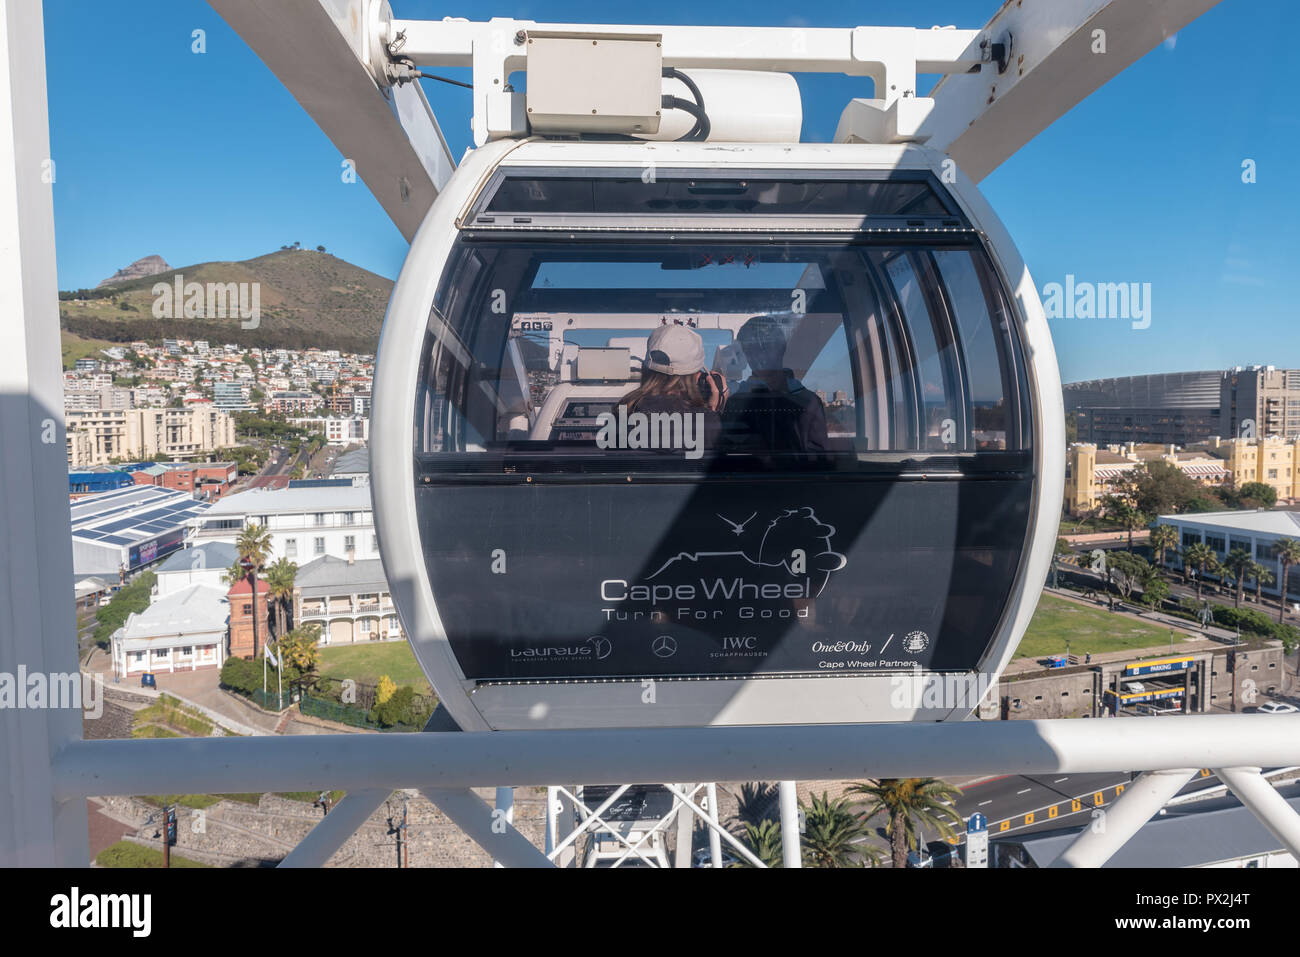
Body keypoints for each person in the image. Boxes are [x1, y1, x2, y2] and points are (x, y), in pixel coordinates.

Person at [723, 314, 830, 453]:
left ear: (782, 348)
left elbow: (820, 462)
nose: (758, 356)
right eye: (750, 350)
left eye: (765, 347)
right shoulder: (734, 403)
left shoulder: (809, 403)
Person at [622, 323, 726, 452]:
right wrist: (715, 411)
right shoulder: (706, 423)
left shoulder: (624, 412)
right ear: (695, 376)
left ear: (646, 368)